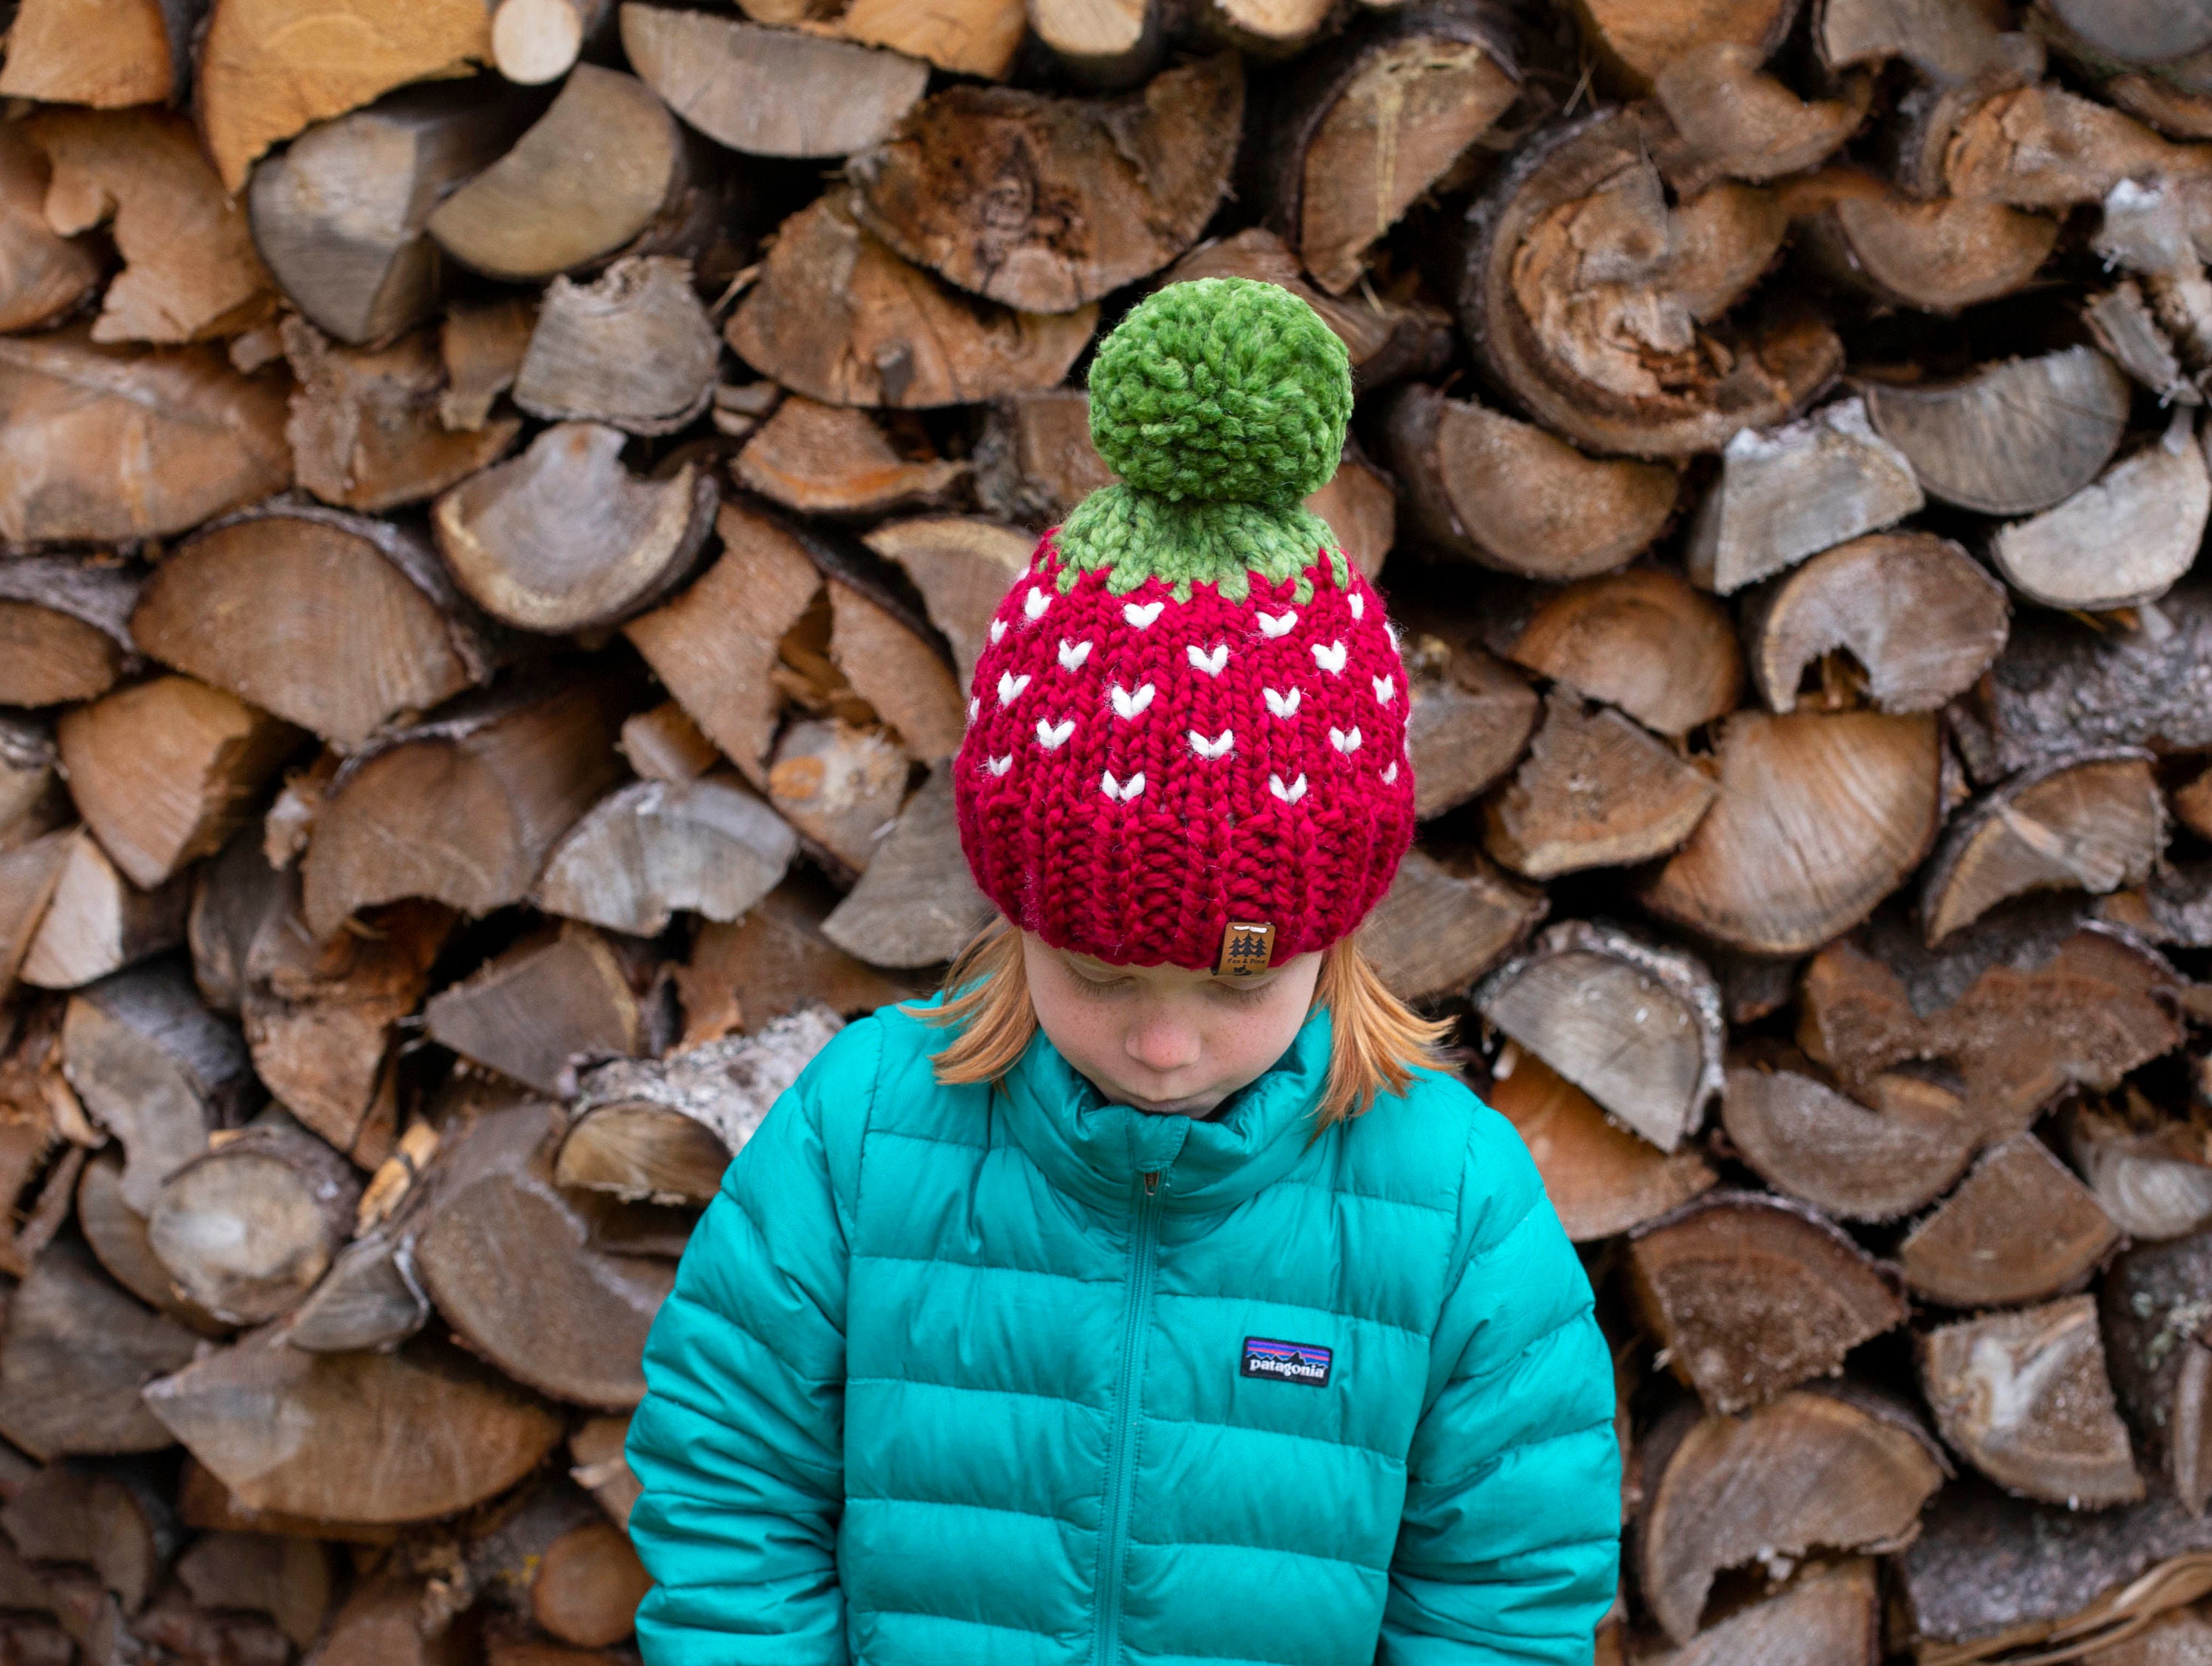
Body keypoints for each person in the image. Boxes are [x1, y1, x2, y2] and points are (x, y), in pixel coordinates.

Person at [624, 276, 1621, 1665]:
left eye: (1233, 986)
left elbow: (1504, 1592)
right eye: (1101, 973)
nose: (1162, 1044)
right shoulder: (865, 1134)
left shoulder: (1451, 1206)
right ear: (1017, 916)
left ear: (1337, 937)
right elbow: (733, 1482)